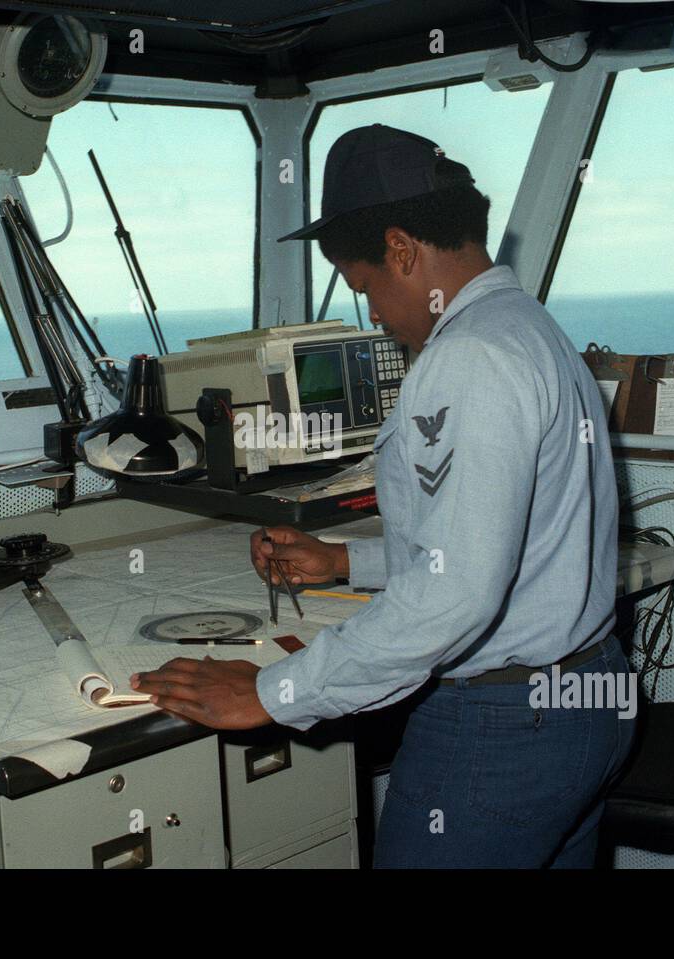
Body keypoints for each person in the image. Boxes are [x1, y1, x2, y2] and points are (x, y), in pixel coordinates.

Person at [132, 124, 634, 867]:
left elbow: (456, 594)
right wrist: (346, 563)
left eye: (366, 286)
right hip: (587, 700)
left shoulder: (467, 358)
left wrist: (273, 692)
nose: (373, 314)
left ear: (402, 249)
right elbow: (501, 543)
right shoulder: (529, 328)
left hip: (503, 727)